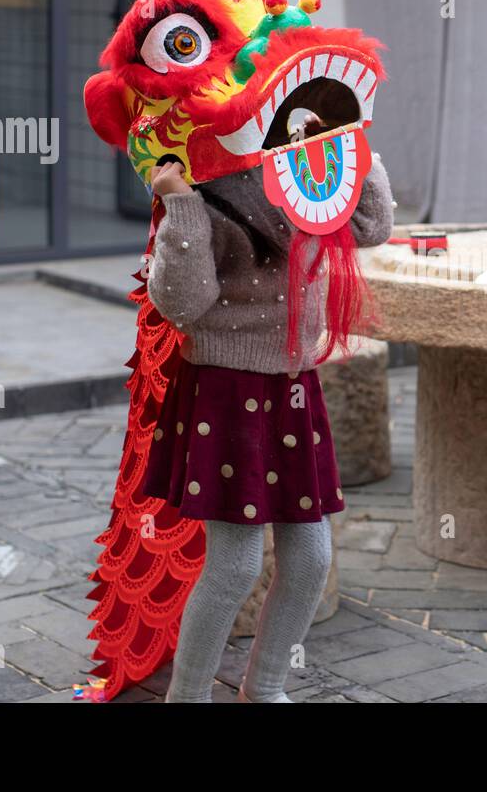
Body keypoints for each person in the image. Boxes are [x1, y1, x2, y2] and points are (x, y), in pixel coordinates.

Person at [142, 114, 393, 702]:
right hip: (226, 391)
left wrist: (351, 146)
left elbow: (375, 225)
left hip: (292, 387)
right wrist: (179, 204)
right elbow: (183, 302)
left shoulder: (309, 171)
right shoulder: (205, 184)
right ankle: (188, 696)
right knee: (235, 565)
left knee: (311, 558)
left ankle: (266, 686)